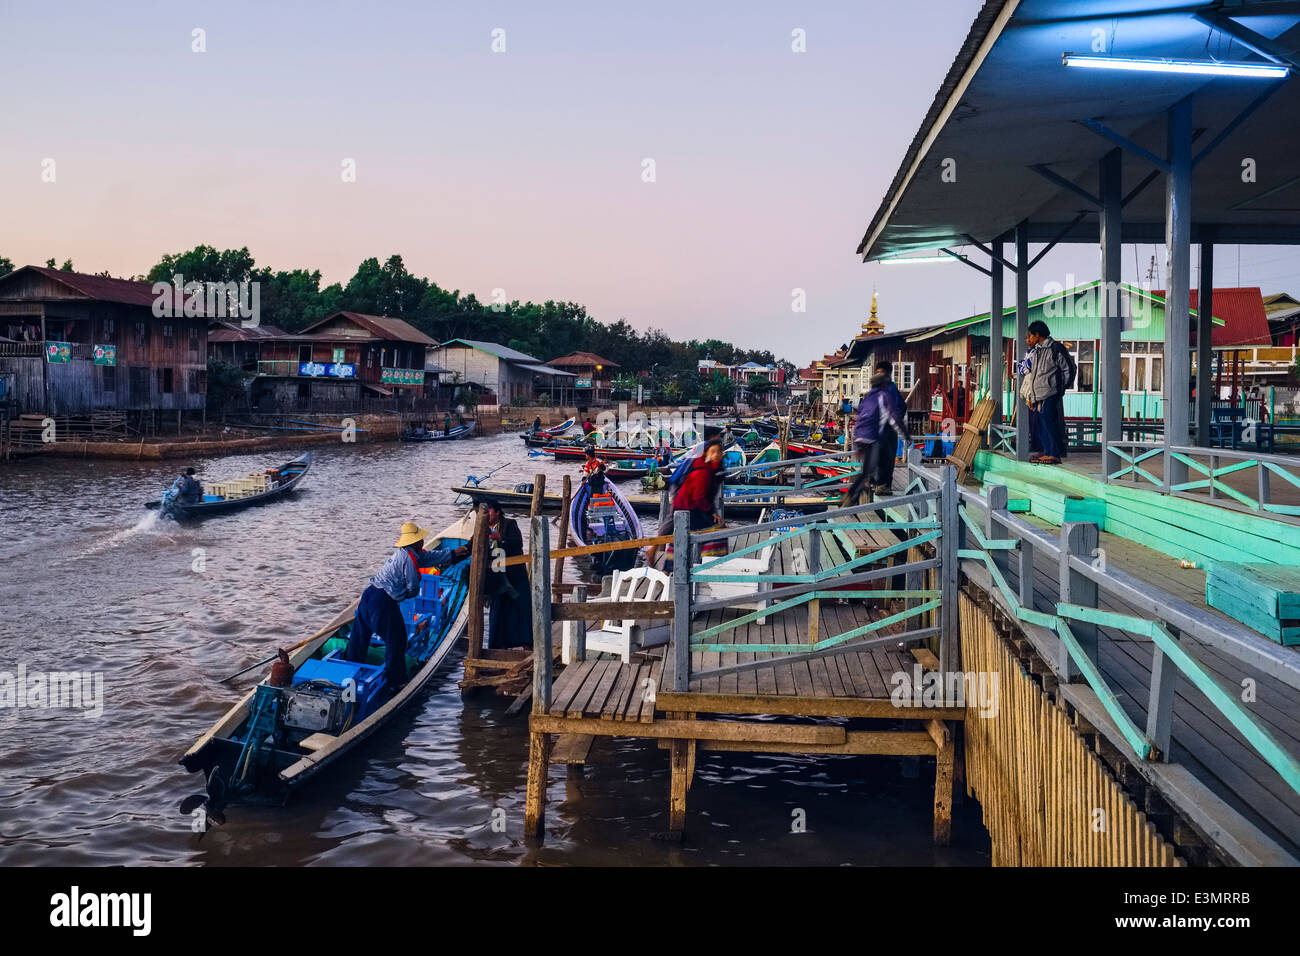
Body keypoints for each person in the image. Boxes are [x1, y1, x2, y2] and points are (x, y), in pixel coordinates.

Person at [347, 521, 470, 690]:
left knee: (361, 634)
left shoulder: (408, 553)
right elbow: (413, 588)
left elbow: (430, 557)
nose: (422, 541)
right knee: (397, 639)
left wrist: (453, 554)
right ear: (416, 542)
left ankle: (350, 665)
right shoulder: (409, 559)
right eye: (421, 539)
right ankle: (396, 681)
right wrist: (403, 595)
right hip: (382, 600)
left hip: (369, 594)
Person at [646, 439, 724, 566]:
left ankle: (665, 560)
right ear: (707, 454)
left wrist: (712, 511)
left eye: (719, 452)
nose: (716, 454)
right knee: (674, 528)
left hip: (689, 502)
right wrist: (711, 512)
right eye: (713, 452)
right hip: (684, 501)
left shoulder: (710, 468)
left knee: (675, 529)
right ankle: (662, 558)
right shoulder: (703, 470)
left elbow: (706, 495)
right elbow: (700, 496)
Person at [480, 499, 533, 649]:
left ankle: (527, 645)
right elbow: (472, 546)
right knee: (499, 613)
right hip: (497, 580)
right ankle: (498, 647)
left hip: (515, 576)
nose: (486, 516)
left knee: (521, 610)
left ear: (497, 512)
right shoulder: (482, 529)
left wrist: (501, 538)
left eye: (489, 512)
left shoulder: (509, 524)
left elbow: (517, 543)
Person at [1024, 320, 1076, 465]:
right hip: (1038, 395)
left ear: (1037, 335)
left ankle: (1054, 454)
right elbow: (1034, 375)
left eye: (1031, 335)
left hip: (1050, 393)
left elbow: (1070, 369)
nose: (1029, 339)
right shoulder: (1038, 350)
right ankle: (1046, 451)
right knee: (1041, 424)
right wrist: (1031, 396)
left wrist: (1060, 389)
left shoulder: (1056, 347)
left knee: (1050, 423)